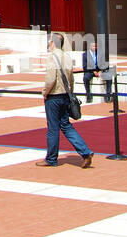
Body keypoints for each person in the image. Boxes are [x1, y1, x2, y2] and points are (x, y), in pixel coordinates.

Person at [38, 32, 93, 169]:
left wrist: (44, 92)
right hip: (65, 96)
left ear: (53, 43)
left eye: (50, 41)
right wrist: (70, 94)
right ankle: (85, 152)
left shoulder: (52, 57)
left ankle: (51, 159)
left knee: (53, 129)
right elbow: (71, 78)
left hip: (54, 96)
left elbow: (50, 79)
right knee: (66, 126)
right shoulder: (67, 57)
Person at [81, 36, 98, 103]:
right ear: (90, 47)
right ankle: (89, 95)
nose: (95, 48)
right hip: (90, 72)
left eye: (96, 46)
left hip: (99, 71)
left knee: (109, 77)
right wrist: (93, 71)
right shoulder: (85, 55)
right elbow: (85, 66)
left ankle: (108, 95)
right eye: (93, 46)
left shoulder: (99, 53)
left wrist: (100, 70)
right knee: (85, 78)